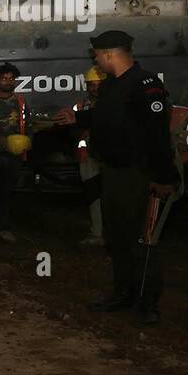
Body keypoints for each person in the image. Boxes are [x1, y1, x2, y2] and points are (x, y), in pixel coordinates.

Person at [53, 30, 178, 325]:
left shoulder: (144, 84)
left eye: (96, 54)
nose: (95, 59)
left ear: (109, 53)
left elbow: (156, 134)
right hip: (113, 172)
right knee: (117, 237)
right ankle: (123, 294)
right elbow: (105, 118)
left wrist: (163, 176)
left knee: (141, 239)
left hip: (138, 173)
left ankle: (147, 304)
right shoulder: (111, 87)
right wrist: (77, 118)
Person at [0, 62, 27, 243]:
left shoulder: (20, 101)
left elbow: (24, 124)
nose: (8, 82)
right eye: (4, 79)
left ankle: (4, 227)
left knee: (8, 192)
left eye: (11, 79)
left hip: (13, 155)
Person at [74, 67, 106, 248]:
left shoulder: (113, 104)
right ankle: (97, 232)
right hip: (89, 157)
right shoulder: (81, 106)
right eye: (91, 85)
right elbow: (76, 132)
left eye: (98, 84)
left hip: (110, 157)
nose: (95, 88)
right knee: (94, 195)